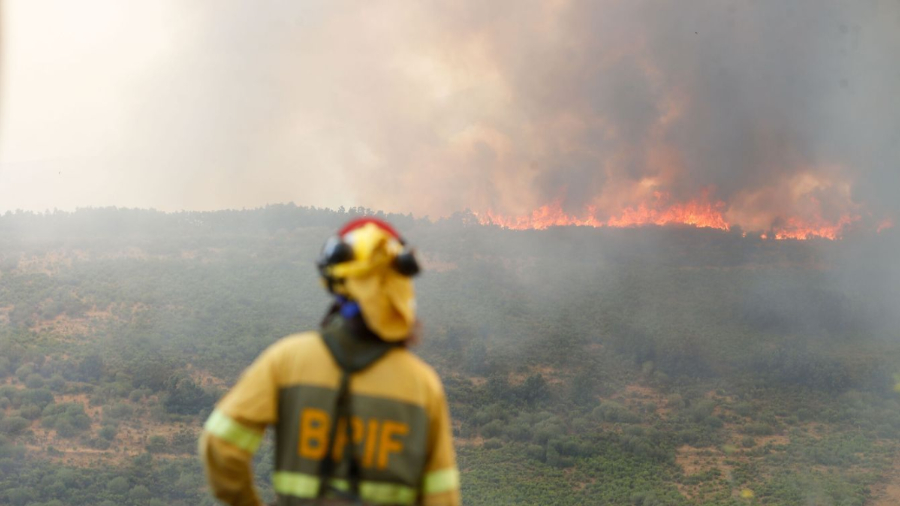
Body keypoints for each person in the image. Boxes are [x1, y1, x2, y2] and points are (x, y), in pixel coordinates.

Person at [199, 218, 460, 506]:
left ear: (337, 283)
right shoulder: (422, 386)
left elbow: (220, 445)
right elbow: (442, 497)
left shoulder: (287, 361)